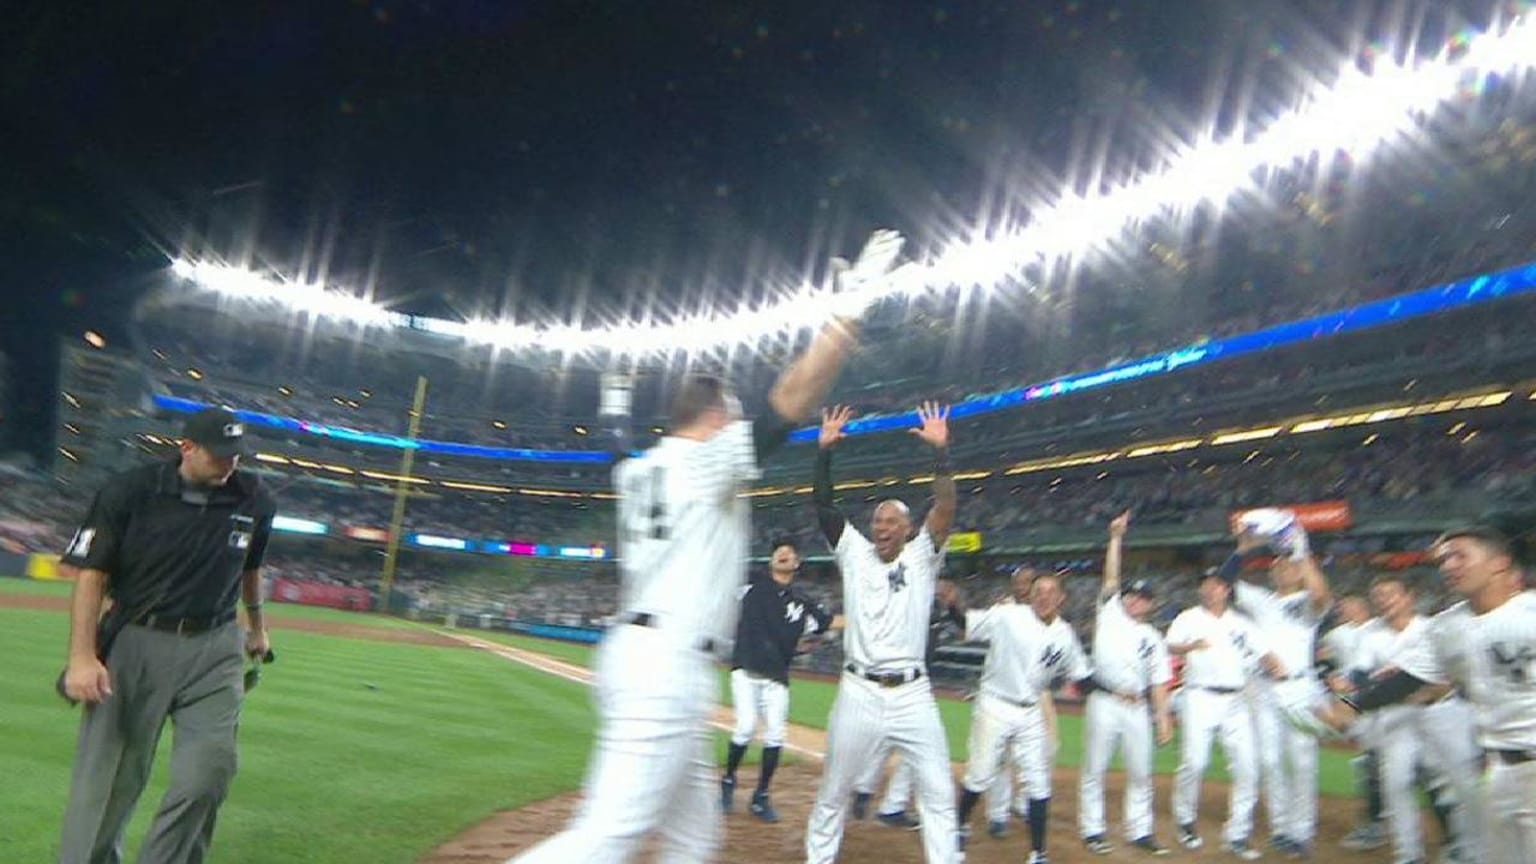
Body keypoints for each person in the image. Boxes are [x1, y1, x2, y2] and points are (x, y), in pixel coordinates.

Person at [508, 228, 907, 864]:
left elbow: (615, 445)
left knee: (695, 840)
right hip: (666, 665)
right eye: (732, 412)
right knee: (607, 835)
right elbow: (792, 402)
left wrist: (614, 396)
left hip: (648, 659)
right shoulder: (703, 462)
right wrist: (850, 309)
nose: (738, 421)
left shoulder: (639, 469)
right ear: (716, 417)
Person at [57, 407, 276, 864]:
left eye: (236, 455)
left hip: (216, 648)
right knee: (110, 784)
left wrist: (257, 627)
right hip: (136, 641)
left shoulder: (254, 498)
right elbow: (90, 574)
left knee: (208, 776)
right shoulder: (130, 492)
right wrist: (82, 658)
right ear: (187, 448)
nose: (230, 464)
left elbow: (250, 568)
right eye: (219, 455)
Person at [1322, 513, 1536, 864]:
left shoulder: (1529, 613)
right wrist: (1351, 704)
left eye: (1460, 556)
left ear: (1499, 563)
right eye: (1445, 558)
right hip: (1500, 770)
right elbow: (1406, 679)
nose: (1448, 565)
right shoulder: (1447, 626)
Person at [804, 401, 959, 864]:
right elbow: (825, 506)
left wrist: (941, 453)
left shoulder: (923, 556)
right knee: (834, 790)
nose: (881, 528)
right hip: (859, 691)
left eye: (891, 522)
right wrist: (825, 453)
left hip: (913, 693)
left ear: (909, 528)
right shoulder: (853, 553)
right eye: (876, 522)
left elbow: (947, 505)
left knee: (937, 794)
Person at [952, 569, 1090, 864]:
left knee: (1038, 781)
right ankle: (958, 825)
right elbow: (966, 623)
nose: (1044, 597)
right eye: (1038, 591)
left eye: (1051, 592)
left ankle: (1038, 852)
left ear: (1061, 598)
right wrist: (952, 604)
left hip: (1030, 711)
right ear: (1030, 595)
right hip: (995, 704)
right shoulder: (1009, 615)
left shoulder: (1065, 634)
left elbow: (1082, 677)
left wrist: (1118, 692)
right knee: (980, 774)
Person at [1221, 509, 1332, 859]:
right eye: (1276, 564)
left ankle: (1301, 832)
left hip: (1300, 688)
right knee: (1270, 761)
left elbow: (1320, 595)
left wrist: (1301, 551)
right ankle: (1283, 828)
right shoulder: (1262, 601)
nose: (1280, 567)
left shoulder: (1307, 604)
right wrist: (1242, 549)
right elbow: (1223, 586)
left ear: (1300, 569)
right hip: (1265, 690)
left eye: (1287, 564)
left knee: (1302, 763)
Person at [1165, 571, 1286, 861]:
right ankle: (1184, 819)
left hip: (1237, 700)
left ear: (1226, 590)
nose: (1209, 590)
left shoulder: (1241, 623)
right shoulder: (1188, 617)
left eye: (1215, 586)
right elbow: (1170, 645)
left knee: (1247, 767)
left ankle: (1238, 833)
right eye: (1205, 585)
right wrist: (1190, 646)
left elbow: (1266, 654)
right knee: (1194, 762)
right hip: (1199, 695)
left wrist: (1280, 669)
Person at [1077, 512, 1174, 857]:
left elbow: (1160, 680)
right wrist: (1115, 539)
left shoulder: (1153, 636)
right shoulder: (1111, 613)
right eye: (1131, 596)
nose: (1134, 600)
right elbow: (1111, 578)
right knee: (1095, 768)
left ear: (1151, 604)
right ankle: (1092, 829)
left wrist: (1162, 717)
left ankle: (1141, 830)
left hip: (1136, 706)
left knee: (1141, 772)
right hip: (1105, 701)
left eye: (1142, 598)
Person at [720, 538, 835, 823]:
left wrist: (808, 643)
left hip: (776, 676)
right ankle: (729, 780)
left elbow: (827, 623)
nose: (784, 553)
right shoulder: (750, 585)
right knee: (745, 727)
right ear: (770, 560)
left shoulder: (801, 602)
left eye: (790, 551)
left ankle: (760, 796)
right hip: (746, 670)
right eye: (778, 551)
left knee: (776, 735)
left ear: (796, 564)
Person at [850, 576, 966, 831]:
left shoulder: (937, 607)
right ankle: (878, 799)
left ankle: (875, 798)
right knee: (893, 744)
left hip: (914, 685)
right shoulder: (905, 601)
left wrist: (952, 606)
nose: (943, 587)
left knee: (897, 745)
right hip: (891, 680)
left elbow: (965, 628)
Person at [1320, 595, 1391, 852]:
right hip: (1362, 704)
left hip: (1392, 702)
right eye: (1342, 604)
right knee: (1371, 764)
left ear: (1362, 604)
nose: (1344, 608)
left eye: (1349, 603)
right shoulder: (1336, 634)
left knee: (1418, 769)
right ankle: (1376, 823)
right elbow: (1322, 660)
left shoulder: (1381, 628)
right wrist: (1331, 678)